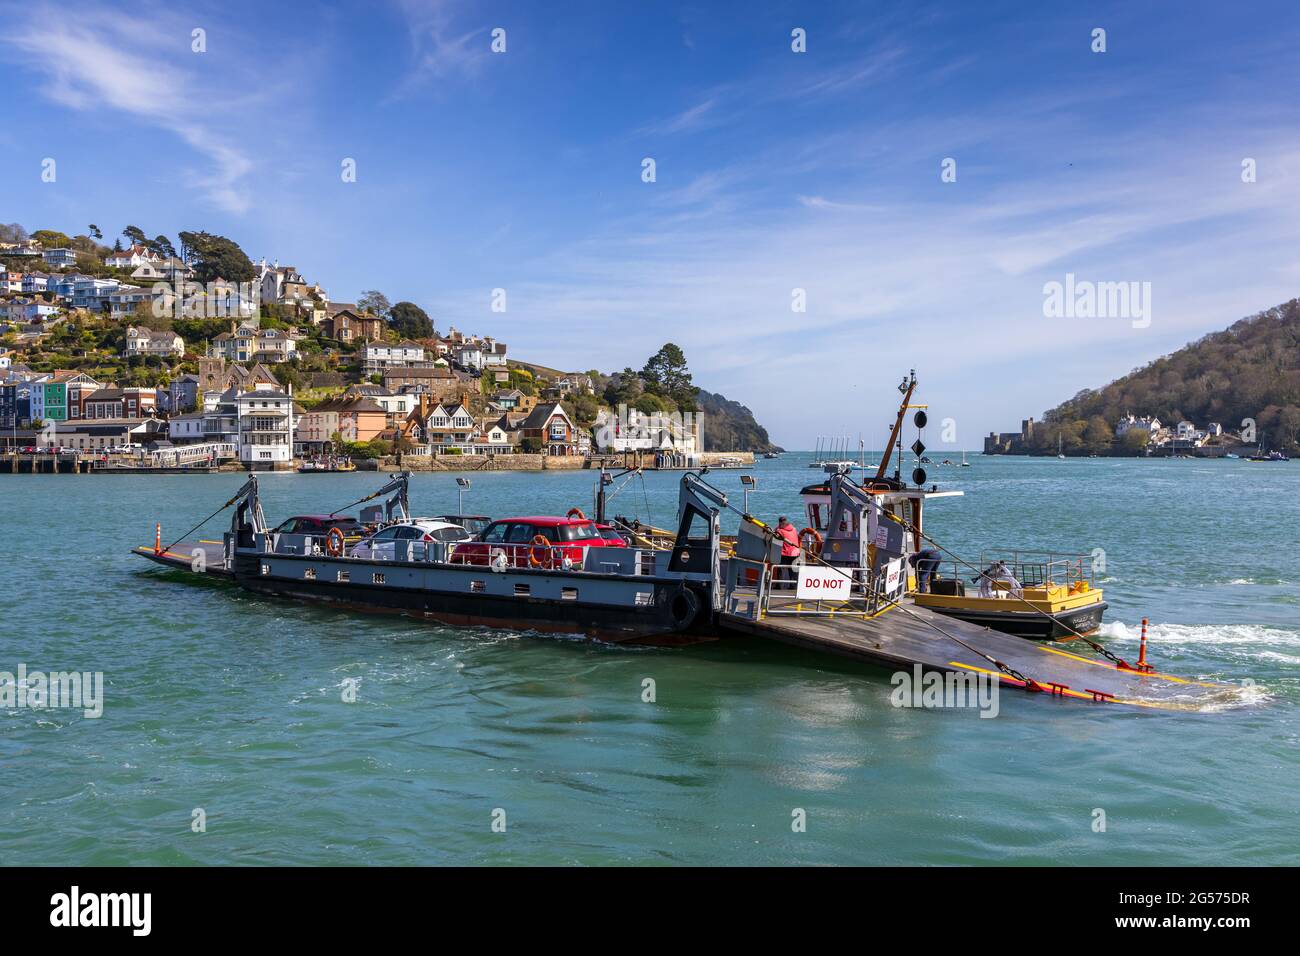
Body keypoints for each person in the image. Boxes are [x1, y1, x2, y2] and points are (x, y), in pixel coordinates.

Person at [774, 516, 801, 586]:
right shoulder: (794, 529)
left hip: (786, 553)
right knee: (793, 570)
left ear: (780, 522)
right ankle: (793, 586)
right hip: (795, 552)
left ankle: (779, 585)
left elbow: (774, 536)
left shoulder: (779, 530)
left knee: (781, 569)